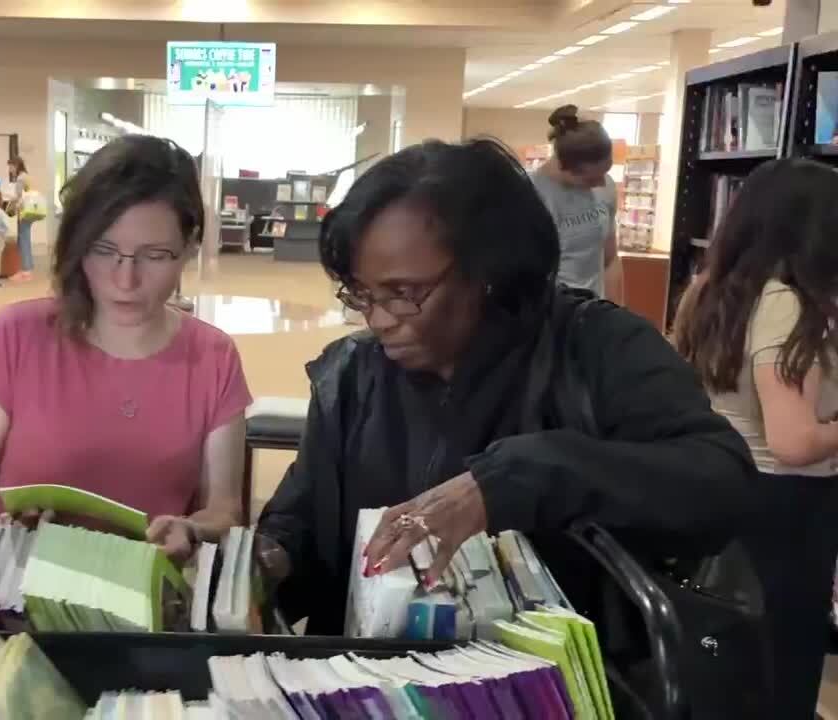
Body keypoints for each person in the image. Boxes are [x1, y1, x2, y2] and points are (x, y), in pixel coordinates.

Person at [255, 139, 754, 659]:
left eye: (404, 293)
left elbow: (720, 480)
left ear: (488, 273)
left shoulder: (595, 348)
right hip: (372, 688)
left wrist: (524, 477)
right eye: (361, 293)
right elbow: (303, 520)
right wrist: (260, 560)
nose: (378, 319)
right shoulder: (354, 375)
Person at [0, 135, 251, 562]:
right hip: (11, 589)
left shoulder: (213, 357)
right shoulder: (15, 337)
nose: (125, 279)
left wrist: (191, 531)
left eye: (154, 256)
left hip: (143, 604)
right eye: (104, 250)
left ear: (189, 247)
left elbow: (224, 511)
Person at [672, 158, 838, 718]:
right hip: (786, 507)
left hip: (726, 491)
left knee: (733, 659)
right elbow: (794, 441)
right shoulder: (787, 304)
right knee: (782, 668)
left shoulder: (709, 290)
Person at [531, 105, 623, 303]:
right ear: (564, 168)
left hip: (594, 313)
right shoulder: (530, 194)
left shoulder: (606, 187)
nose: (600, 183)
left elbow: (610, 259)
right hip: (551, 316)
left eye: (605, 172)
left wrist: (616, 311)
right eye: (591, 179)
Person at [7, 156, 36, 282]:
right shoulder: (27, 176)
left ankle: (25, 271)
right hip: (31, 211)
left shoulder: (20, 178)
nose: (10, 169)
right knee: (26, 239)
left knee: (23, 240)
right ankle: (28, 268)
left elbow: (17, 196)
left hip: (23, 211)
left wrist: (8, 200)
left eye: (11, 166)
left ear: (16, 166)